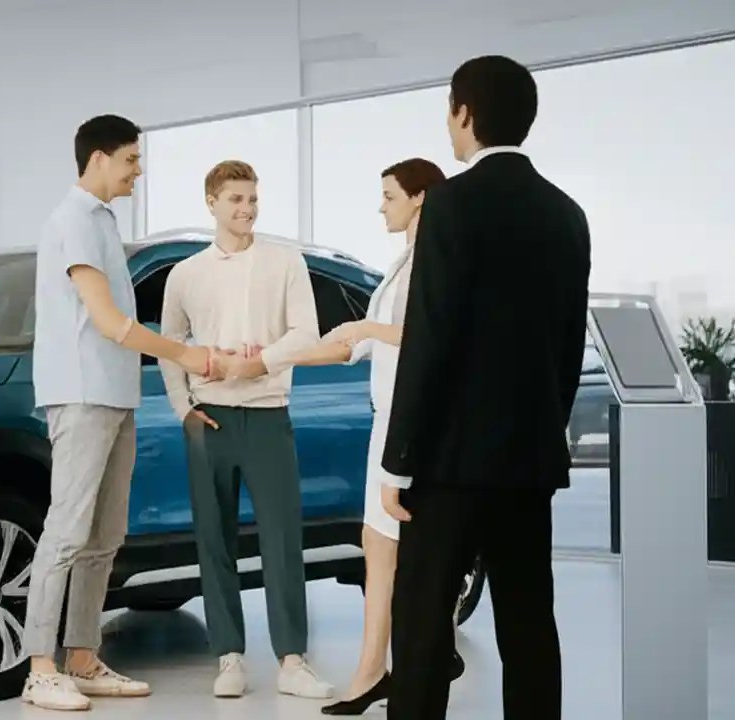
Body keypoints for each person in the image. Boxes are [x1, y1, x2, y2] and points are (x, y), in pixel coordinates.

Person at [380, 56, 591, 720]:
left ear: (464, 113)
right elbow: (566, 349)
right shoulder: (566, 213)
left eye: (450, 109)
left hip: (449, 463)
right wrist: (542, 430)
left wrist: (398, 458)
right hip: (528, 462)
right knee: (530, 625)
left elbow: (429, 339)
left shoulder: (450, 205)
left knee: (421, 626)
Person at [22, 114, 235, 712]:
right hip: (84, 392)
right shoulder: (73, 222)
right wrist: (188, 354)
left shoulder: (102, 222)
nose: (138, 171)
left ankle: (83, 658)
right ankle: (41, 668)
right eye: (131, 160)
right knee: (66, 530)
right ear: (97, 159)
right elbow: (111, 322)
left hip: (116, 395)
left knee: (105, 534)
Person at [288, 158, 466, 716]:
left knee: (400, 551)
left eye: (389, 196)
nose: (381, 205)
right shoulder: (403, 263)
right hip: (386, 422)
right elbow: (352, 346)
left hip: (413, 428)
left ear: (419, 198)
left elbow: (432, 335)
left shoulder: (438, 261)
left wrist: (365, 327)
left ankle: (415, 659)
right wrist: (266, 358)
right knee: (377, 547)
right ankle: (374, 670)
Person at [158, 159, 333, 700]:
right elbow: (170, 343)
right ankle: (228, 655)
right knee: (214, 539)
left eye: (252, 198)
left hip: (266, 413)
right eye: (236, 199)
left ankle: (292, 659)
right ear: (211, 202)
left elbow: (307, 332)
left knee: (282, 538)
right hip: (209, 418)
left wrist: (261, 364)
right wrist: (182, 409)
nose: (247, 208)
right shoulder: (185, 274)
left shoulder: (285, 263)